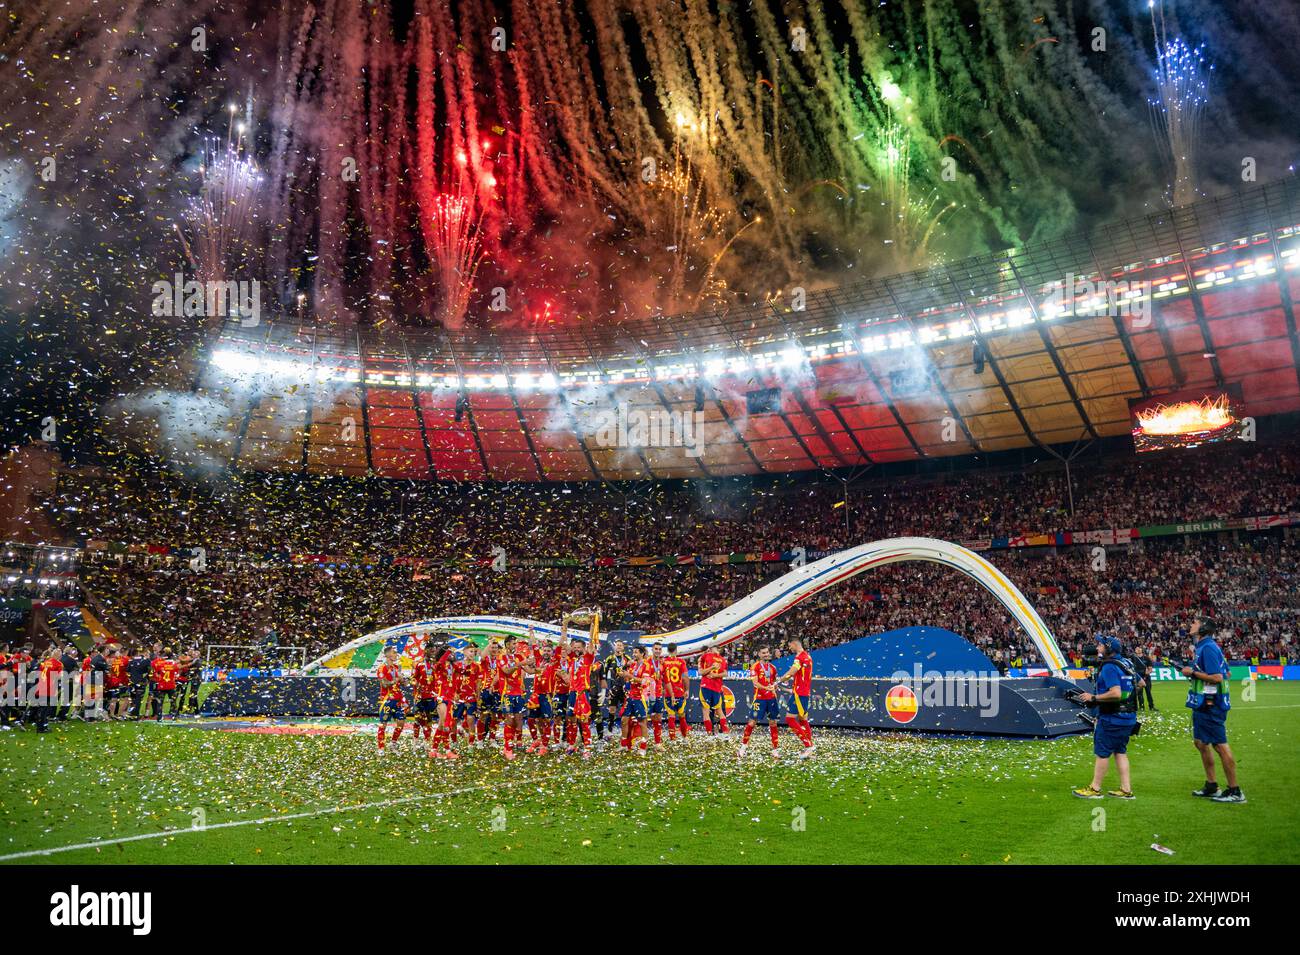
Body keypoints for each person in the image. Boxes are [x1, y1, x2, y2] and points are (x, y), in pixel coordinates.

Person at [1183, 617, 1245, 803]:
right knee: (1201, 742)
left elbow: (1218, 677)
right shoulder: (1206, 646)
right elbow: (1228, 672)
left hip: (1212, 704)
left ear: (1203, 628)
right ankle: (1212, 785)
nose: (1190, 624)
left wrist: (1192, 673)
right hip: (1203, 703)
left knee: (1219, 745)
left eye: (1194, 622)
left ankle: (1235, 791)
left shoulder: (1208, 648)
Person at [1072, 635, 1139, 800]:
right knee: (1120, 752)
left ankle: (1095, 788)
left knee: (1102, 753)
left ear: (1108, 649)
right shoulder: (1127, 663)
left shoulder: (1109, 667)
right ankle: (1126, 789)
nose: (1097, 646)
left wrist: (1094, 698)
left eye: (1100, 644)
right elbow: (1140, 683)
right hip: (1128, 717)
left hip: (1112, 718)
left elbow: (1115, 693)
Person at [739, 647, 782, 759]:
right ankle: (743, 747)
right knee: (752, 723)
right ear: (759, 654)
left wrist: (775, 686)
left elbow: (775, 682)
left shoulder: (773, 668)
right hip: (759, 699)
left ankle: (775, 750)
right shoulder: (755, 667)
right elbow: (755, 683)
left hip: (772, 699)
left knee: (773, 723)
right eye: (763, 653)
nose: (766, 654)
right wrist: (766, 688)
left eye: (767, 652)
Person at [776, 637, 815, 757]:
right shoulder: (807, 656)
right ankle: (811, 745)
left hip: (799, 693)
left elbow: (792, 672)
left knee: (789, 719)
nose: (790, 648)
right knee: (803, 719)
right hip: (804, 692)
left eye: (790, 646)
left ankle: (808, 746)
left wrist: (779, 681)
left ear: (794, 644)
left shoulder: (799, 658)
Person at [375, 646, 407, 754]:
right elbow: (384, 683)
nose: (396, 654)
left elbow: (403, 683)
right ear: (388, 655)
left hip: (398, 700)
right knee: (383, 723)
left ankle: (393, 744)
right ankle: (381, 748)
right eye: (394, 652)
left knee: (401, 723)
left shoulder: (397, 668)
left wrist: (403, 680)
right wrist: (396, 679)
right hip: (387, 700)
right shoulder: (382, 668)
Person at [660, 643, 690, 739]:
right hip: (679, 692)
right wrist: (687, 690)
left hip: (668, 692)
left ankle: (672, 737)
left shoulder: (663, 662)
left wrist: (662, 688)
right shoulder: (681, 661)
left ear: (668, 651)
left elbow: (660, 677)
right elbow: (685, 677)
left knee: (671, 715)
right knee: (681, 715)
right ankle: (684, 736)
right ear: (676, 650)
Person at [697, 645, 728, 737]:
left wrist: (712, 672)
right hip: (717, 688)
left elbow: (701, 672)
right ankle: (725, 733)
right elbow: (725, 673)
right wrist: (715, 674)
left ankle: (710, 734)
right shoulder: (723, 660)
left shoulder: (706, 656)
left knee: (706, 712)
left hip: (706, 686)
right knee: (720, 711)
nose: (709, 650)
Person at [149, 648, 181, 720]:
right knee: (173, 701)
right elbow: (177, 674)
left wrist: (159, 677)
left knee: (160, 702)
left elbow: (154, 672)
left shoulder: (161, 664)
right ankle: (174, 716)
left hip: (162, 685)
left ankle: (159, 717)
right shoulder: (174, 665)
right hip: (171, 685)